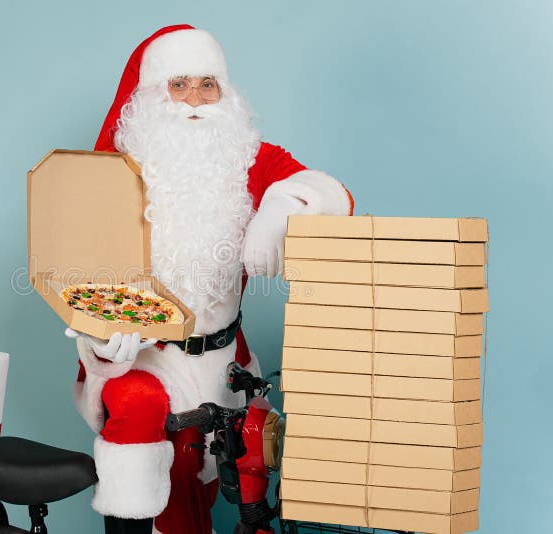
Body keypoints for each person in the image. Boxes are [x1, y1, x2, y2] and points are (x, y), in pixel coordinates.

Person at [64, 25, 354, 534]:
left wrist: (282, 205)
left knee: (204, 480)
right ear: (151, 96)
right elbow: (85, 275)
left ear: (225, 93)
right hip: (147, 360)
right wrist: (103, 340)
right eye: (179, 85)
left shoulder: (247, 159)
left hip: (222, 359)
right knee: (139, 415)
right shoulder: (115, 173)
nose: (195, 100)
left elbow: (334, 198)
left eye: (207, 85)